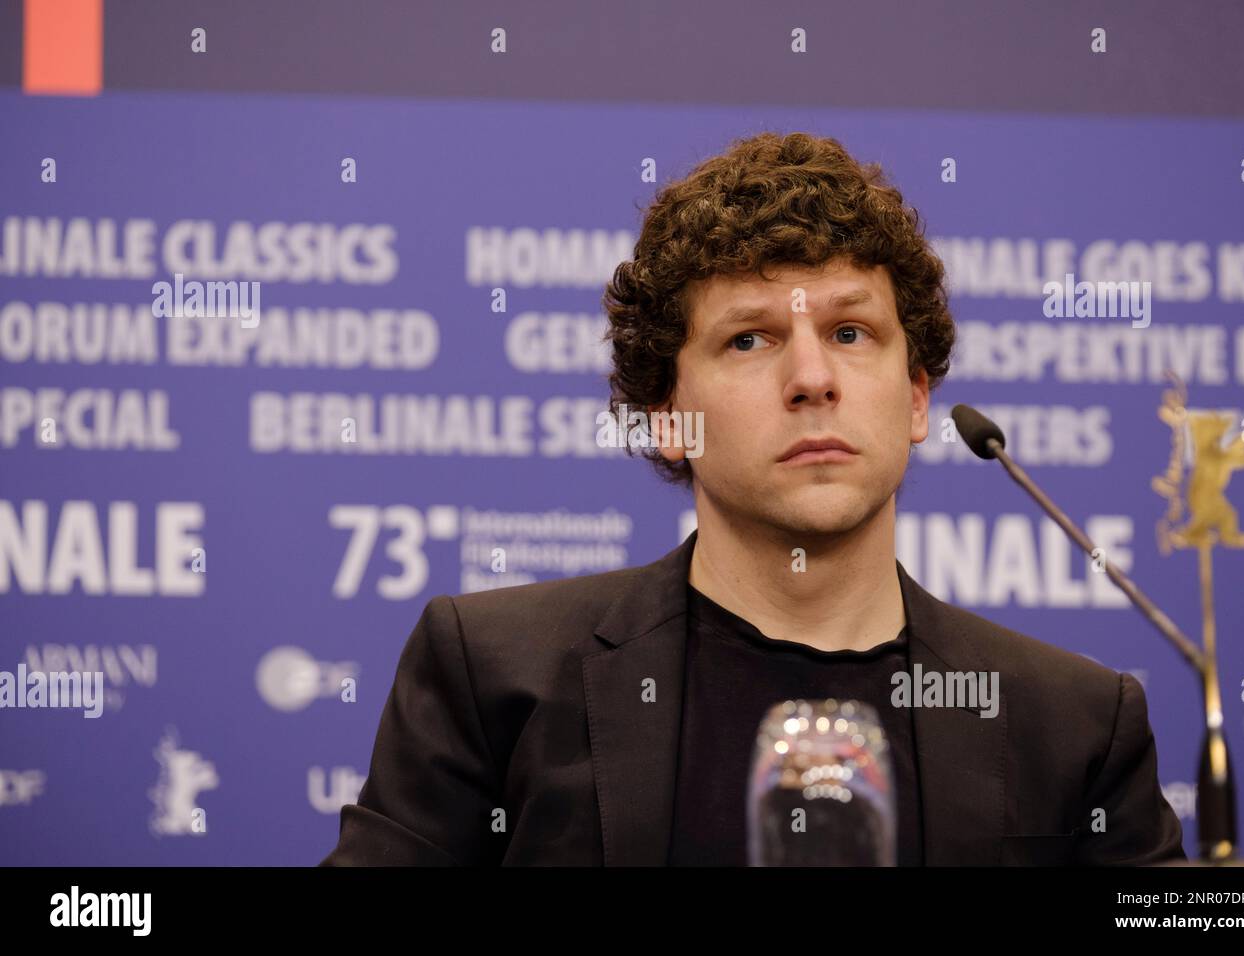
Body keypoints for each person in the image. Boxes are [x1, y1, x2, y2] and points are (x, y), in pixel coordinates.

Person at [320, 131, 1185, 866]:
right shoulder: (495, 675)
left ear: (917, 396)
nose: (812, 378)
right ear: (667, 417)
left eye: (850, 333)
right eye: (749, 339)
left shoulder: (1073, 725)